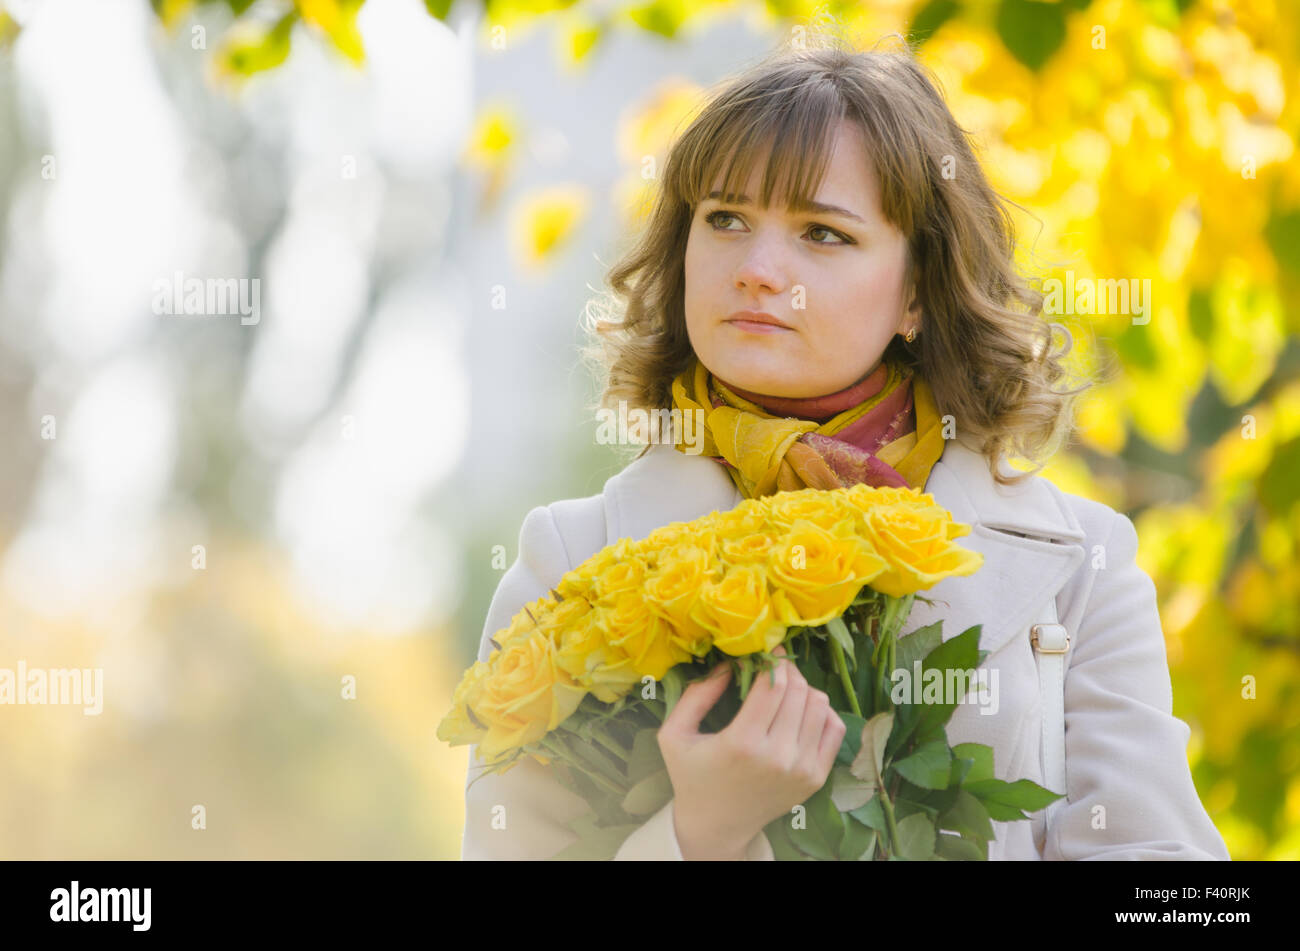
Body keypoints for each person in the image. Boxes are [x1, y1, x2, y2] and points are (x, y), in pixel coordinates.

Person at [459, 33, 1231, 861]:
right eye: (725, 218)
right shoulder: (566, 563)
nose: (758, 269)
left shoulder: (1084, 567)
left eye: (822, 233)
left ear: (917, 292)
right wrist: (698, 833)